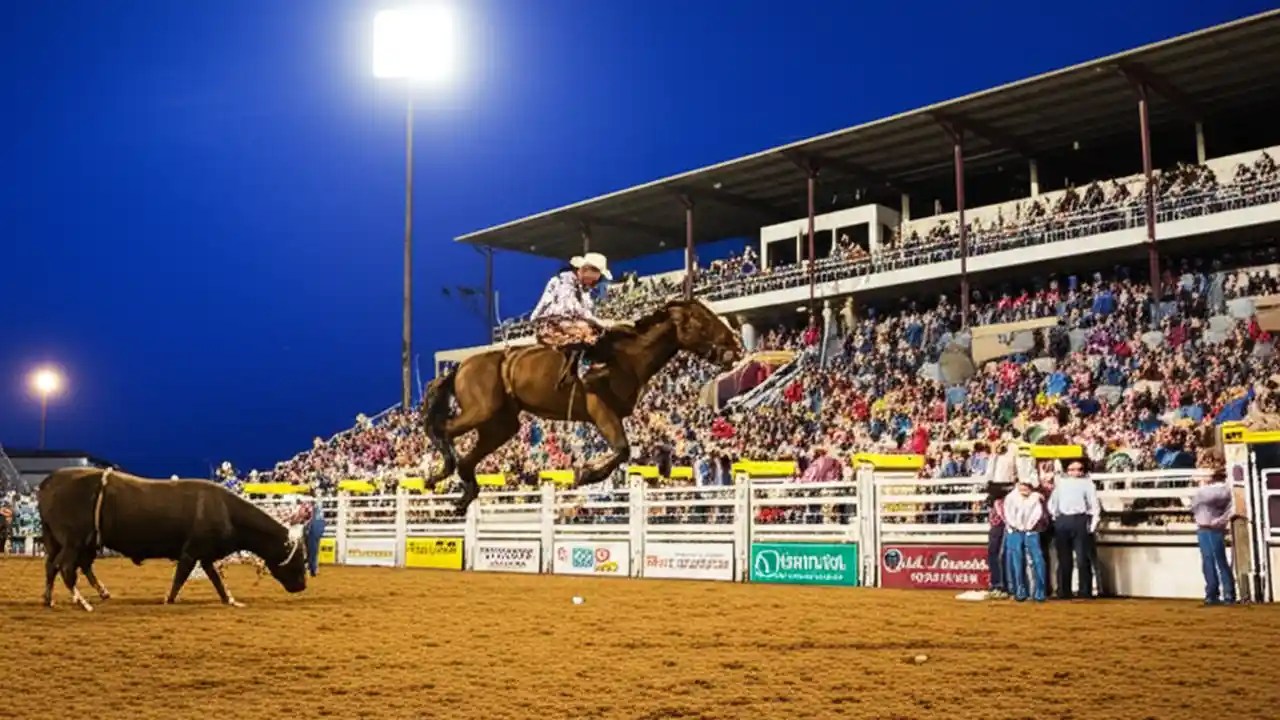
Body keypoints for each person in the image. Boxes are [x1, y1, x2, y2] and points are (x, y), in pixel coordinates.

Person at [529, 252, 615, 386]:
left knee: (597, 332)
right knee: (587, 332)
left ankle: (586, 363)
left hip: (566, 322)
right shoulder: (563, 281)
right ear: (586, 270)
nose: (597, 282)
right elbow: (571, 309)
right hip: (549, 323)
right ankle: (583, 367)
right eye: (597, 278)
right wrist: (598, 322)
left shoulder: (584, 290)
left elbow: (585, 311)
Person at [1047, 457, 1101, 599]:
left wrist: (1092, 525)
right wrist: (1056, 518)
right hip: (1063, 519)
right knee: (1064, 559)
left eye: (1079, 469)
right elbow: (1052, 504)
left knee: (1083, 558)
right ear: (1067, 471)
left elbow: (1094, 506)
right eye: (1072, 469)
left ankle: (1085, 591)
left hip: (1080, 519)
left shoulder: (1088, 484)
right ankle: (1064, 591)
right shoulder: (1061, 484)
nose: (1076, 472)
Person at [1190, 468, 1235, 605]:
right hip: (1214, 527)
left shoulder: (1206, 492)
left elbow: (1193, 506)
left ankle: (1213, 594)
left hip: (1206, 527)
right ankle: (1226, 593)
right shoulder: (1226, 491)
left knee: (1210, 561)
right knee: (1218, 560)